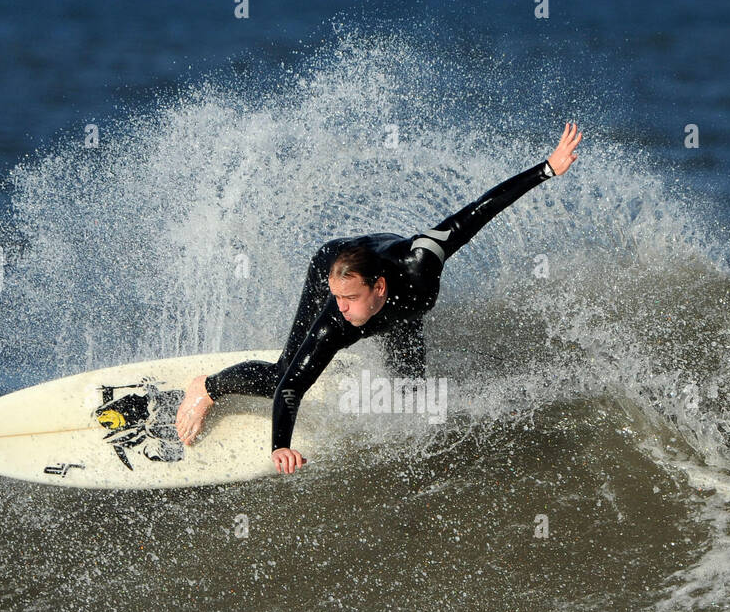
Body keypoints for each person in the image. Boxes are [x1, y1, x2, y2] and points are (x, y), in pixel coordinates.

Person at [175, 122, 583, 473]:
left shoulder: (422, 259)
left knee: (410, 389)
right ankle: (209, 387)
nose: (340, 309)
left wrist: (548, 168)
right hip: (331, 266)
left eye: (350, 300)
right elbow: (291, 387)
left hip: (390, 288)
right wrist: (279, 444)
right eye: (338, 301)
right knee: (287, 365)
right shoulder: (337, 314)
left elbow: (481, 209)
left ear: (380, 289)